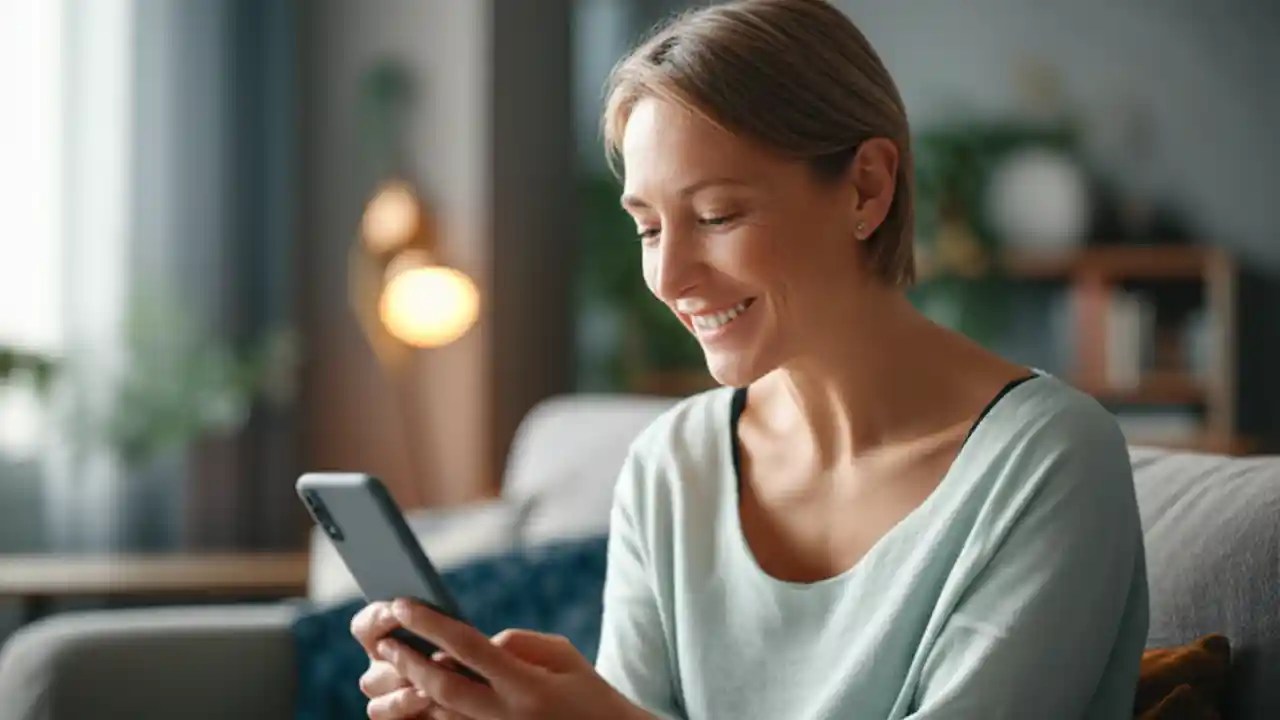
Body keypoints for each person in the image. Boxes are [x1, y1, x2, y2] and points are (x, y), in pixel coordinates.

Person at [350, 1, 1149, 718]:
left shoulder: (1048, 461)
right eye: (648, 228)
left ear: (866, 189)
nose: (670, 279)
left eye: (716, 215)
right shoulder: (672, 467)